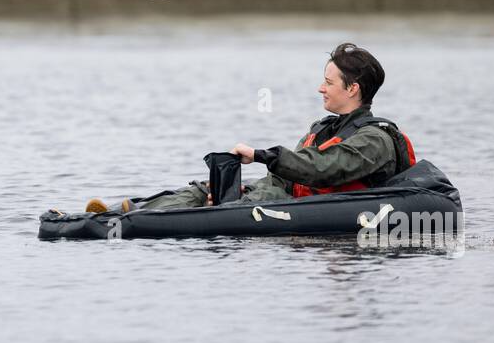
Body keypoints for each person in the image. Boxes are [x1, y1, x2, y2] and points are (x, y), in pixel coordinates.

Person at [82, 42, 415, 214]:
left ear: (353, 89)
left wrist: (260, 155)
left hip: (313, 208)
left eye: (328, 82)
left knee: (244, 202)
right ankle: (120, 213)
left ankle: (141, 221)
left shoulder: (375, 140)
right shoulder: (324, 128)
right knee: (206, 189)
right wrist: (239, 188)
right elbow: (288, 176)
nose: (320, 88)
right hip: (287, 194)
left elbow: (322, 169)